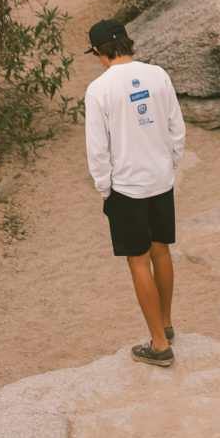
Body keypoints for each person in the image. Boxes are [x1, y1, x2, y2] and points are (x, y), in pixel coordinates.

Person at [84, 18, 186, 366]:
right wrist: (171, 161)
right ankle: (167, 324)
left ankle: (159, 345)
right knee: (162, 251)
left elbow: (98, 149)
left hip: (127, 186)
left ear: (98, 51)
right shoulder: (158, 74)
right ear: (127, 42)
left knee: (138, 259)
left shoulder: (99, 89)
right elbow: (176, 125)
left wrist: (103, 188)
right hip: (160, 179)